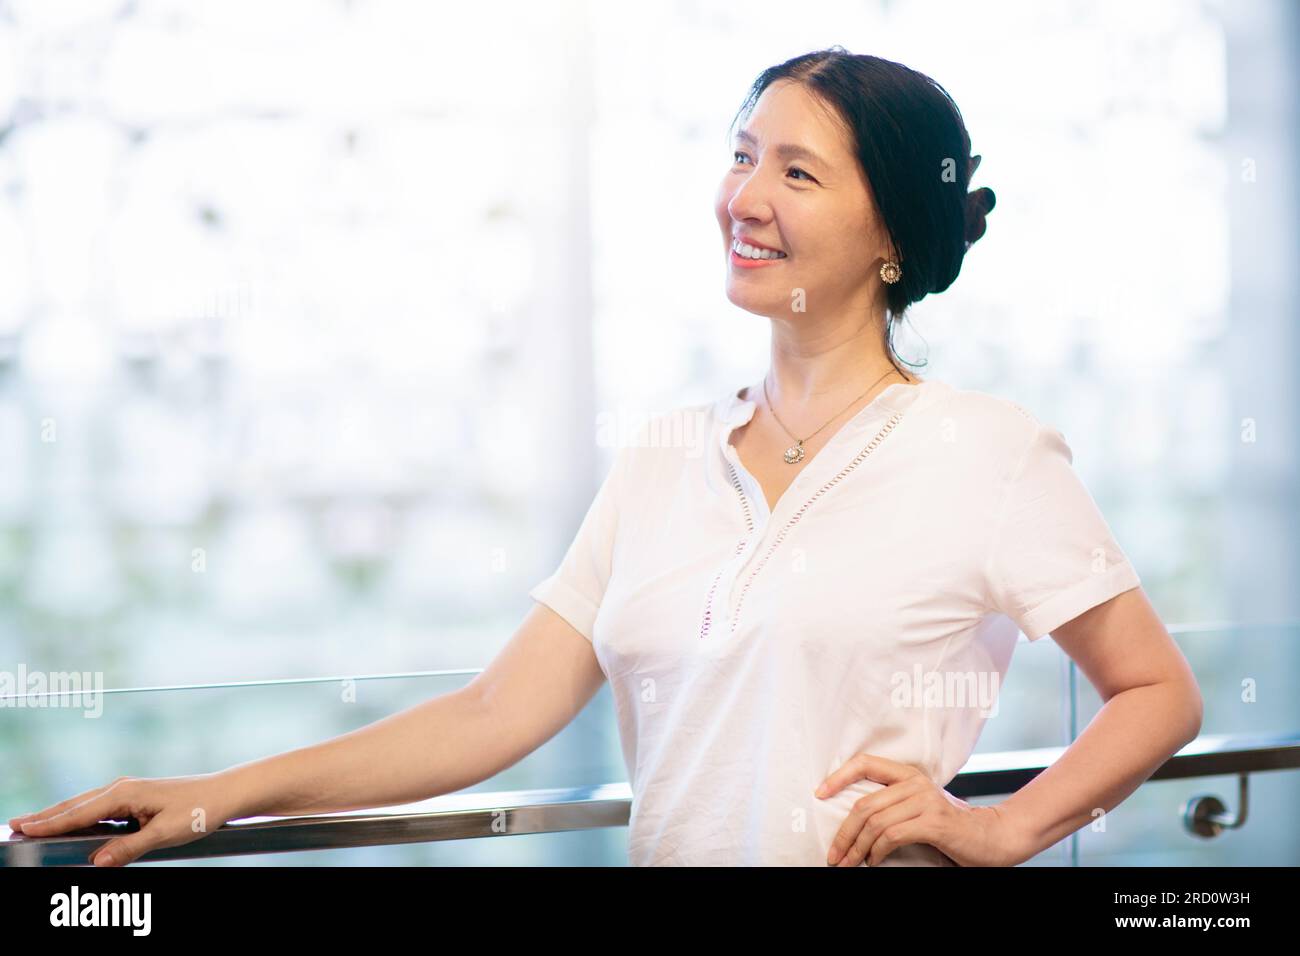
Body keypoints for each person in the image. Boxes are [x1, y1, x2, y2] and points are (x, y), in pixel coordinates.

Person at [7, 48, 1202, 868]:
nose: (745, 194)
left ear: (890, 231)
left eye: (796, 170)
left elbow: (1157, 691)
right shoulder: (663, 456)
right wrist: (213, 792)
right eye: (742, 153)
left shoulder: (985, 452)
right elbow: (490, 711)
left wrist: (1006, 826)